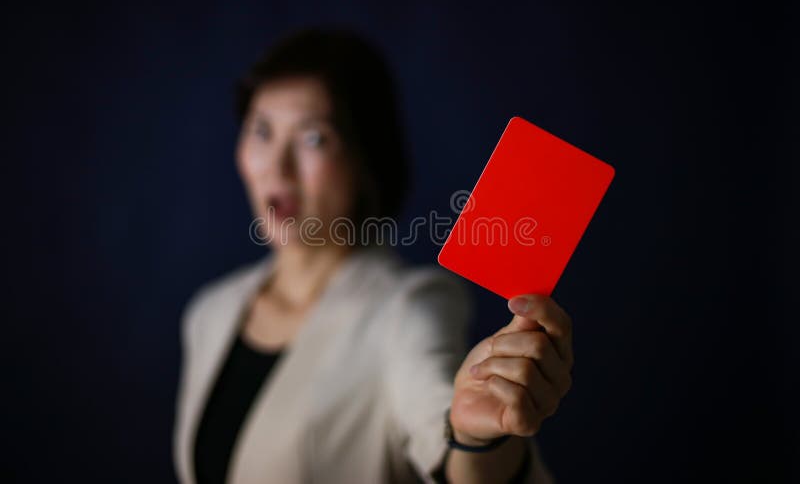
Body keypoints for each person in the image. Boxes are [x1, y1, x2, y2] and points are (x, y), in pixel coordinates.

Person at [173, 28, 572, 484]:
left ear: (366, 159)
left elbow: (448, 443)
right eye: (261, 131)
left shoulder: (409, 307)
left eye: (313, 139)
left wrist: (477, 437)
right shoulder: (210, 313)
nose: (277, 167)